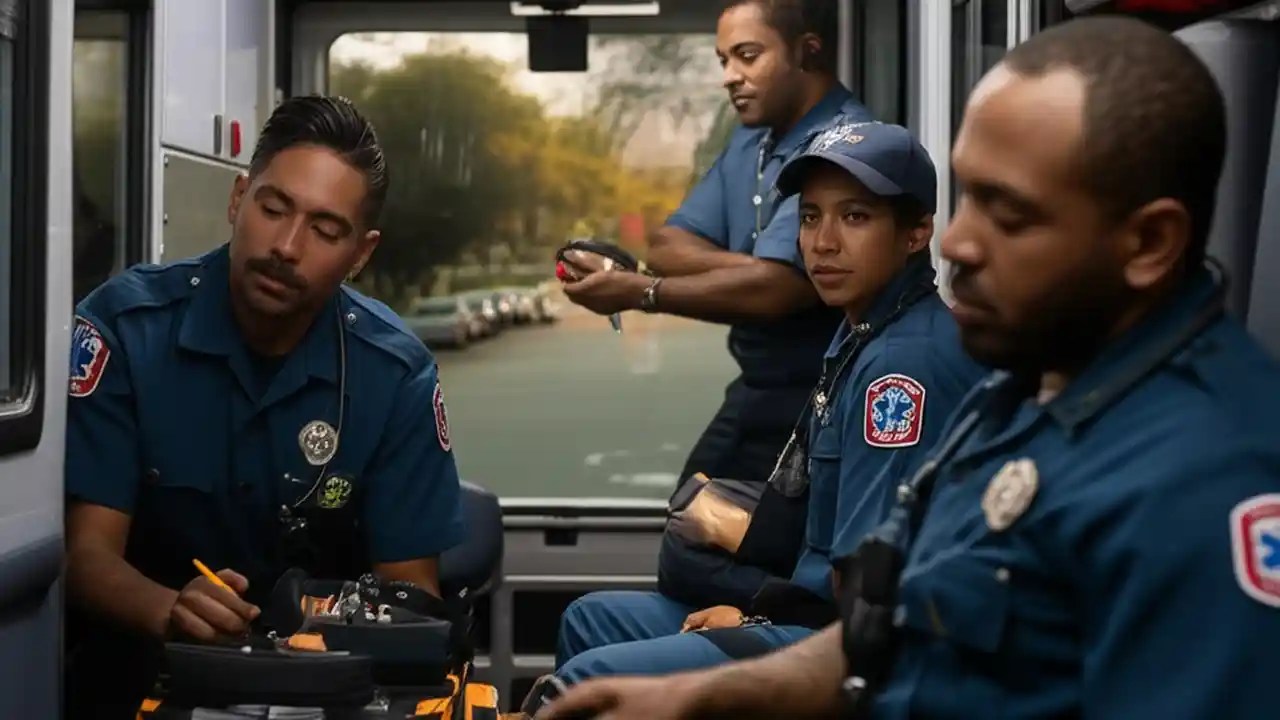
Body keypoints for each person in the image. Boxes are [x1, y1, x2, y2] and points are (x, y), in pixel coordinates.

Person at [536, 15, 1280, 720]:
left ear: (1148, 244)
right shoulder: (1023, 394)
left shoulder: (1214, 481)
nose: (955, 245)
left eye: (1008, 214)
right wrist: (700, 700)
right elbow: (882, 628)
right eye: (965, 199)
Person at [63, 96, 465, 718]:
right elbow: (87, 557)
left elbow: (408, 593)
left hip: (328, 686)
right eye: (273, 209)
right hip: (150, 673)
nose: (287, 245)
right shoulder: (126, 329)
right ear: (238, 199)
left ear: (361, 252)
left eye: (326, 231)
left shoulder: (395, 372)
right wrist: (169, 609)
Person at [549, 122, 986, 690]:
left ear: (915, 232)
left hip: (841, 645)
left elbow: (869, 592)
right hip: (806, 607)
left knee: (592, 674)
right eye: (810, 217)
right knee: (591, 618)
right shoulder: (858, 334)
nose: (823, 242)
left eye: (854, 217)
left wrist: (757, 616)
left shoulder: (900, 372)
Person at [562, 0, 874, 507]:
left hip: (820, 393)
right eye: (723, 60)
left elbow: (774, 296)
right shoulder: (749, 139)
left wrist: (643, 294)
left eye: (747, 56)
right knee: (687, 523)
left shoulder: (844, 139)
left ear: (808, 52)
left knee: (713, 544)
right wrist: (762, 270)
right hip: (757, 386)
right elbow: (667, 245)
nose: (730, 76)